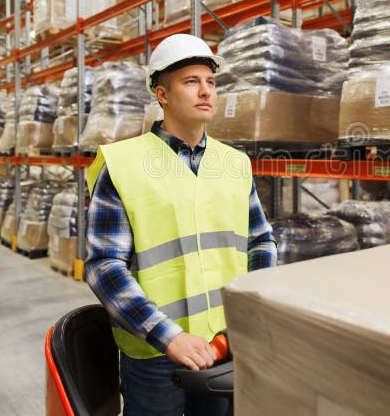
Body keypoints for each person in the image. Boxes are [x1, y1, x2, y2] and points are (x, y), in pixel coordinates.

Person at [85, 34, 277, 416]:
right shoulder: (123, 164)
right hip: (155, 354)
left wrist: (247, 317)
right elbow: (104, 266)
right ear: (162, 94)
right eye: (191, 82)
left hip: (224, 342)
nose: (205, 91)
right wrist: (168, 336)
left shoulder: (235, 163)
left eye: (211, 82)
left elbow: (261, 241)